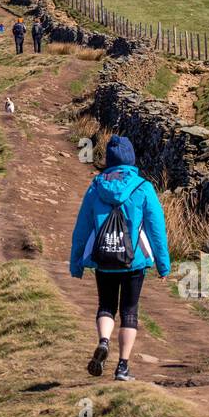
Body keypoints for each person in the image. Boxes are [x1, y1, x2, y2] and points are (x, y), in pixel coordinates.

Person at [69, 135, 169, 381]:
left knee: (106, 306)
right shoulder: (142, 186)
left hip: (104, 259)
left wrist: (77, 263)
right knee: (129, 311)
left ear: (110, 160)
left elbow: (81, 228)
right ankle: (123, 367)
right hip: (133, 261)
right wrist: (163, 265)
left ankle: (103, 341)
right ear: (131, 158)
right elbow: (157, 229)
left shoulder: (95, 186)